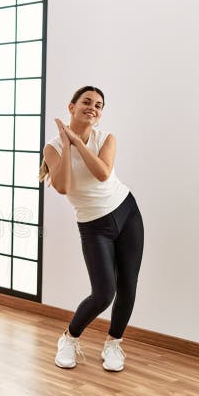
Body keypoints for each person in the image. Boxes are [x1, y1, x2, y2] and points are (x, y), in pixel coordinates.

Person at [40, 86, 144, 372]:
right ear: (71, 106)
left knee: (127, 286)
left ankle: (113, 343)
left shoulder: (105, 138)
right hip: (93, 225)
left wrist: (78, 142)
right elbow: (62, 187)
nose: (93, 107)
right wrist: (67, 142)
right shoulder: (53, 147)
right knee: (103, 293)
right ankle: (69, 338)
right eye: (87, 102)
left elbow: (102, 173)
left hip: (127, 212)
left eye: (98, 105)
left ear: (100, 115)